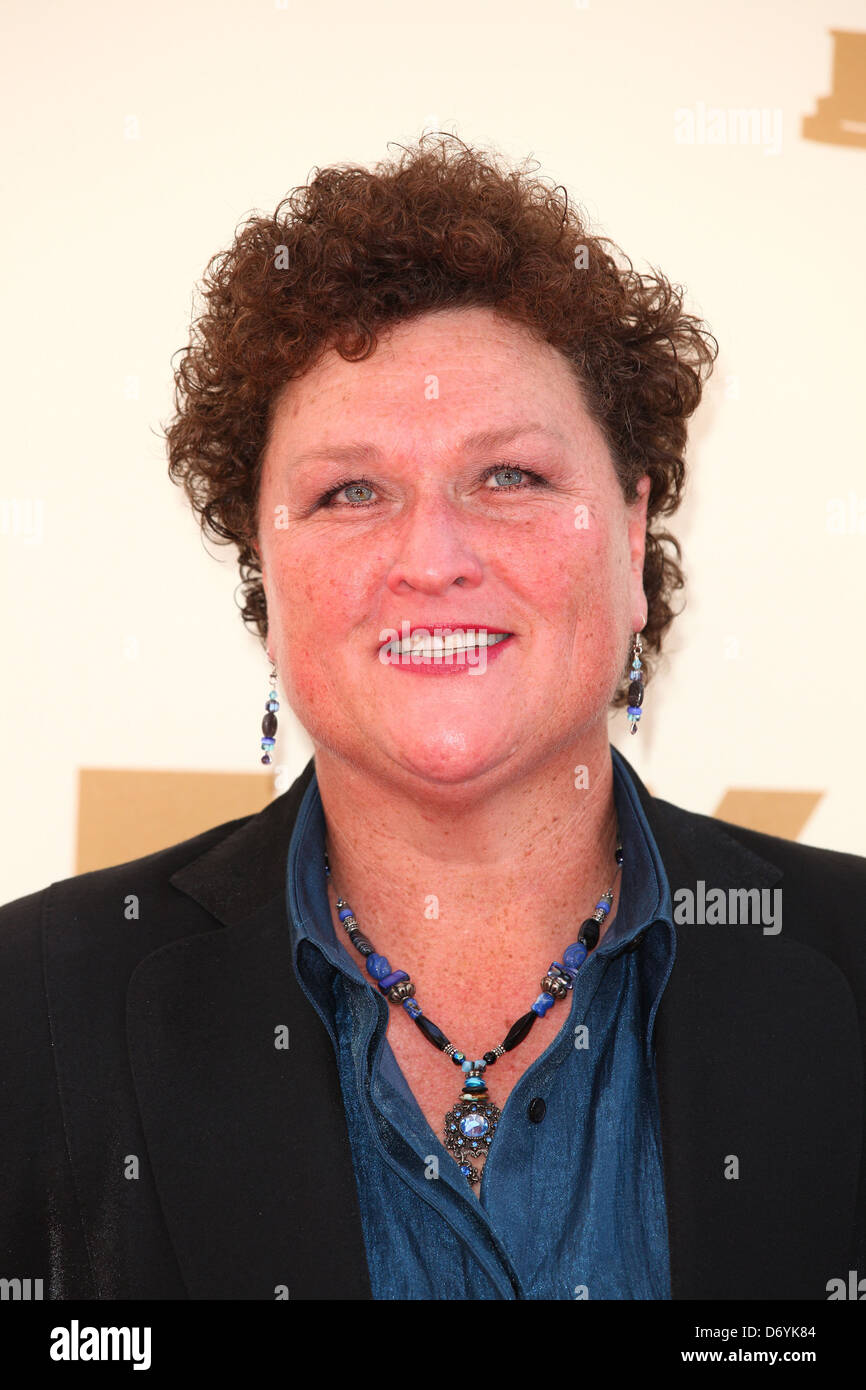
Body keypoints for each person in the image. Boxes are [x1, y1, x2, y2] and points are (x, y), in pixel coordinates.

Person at [1, 134, 864, 1302]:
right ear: (265, 575)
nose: (432, 556)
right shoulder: (34, 1007)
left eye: (508, 476)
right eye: (349, 491)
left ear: (627, 531)